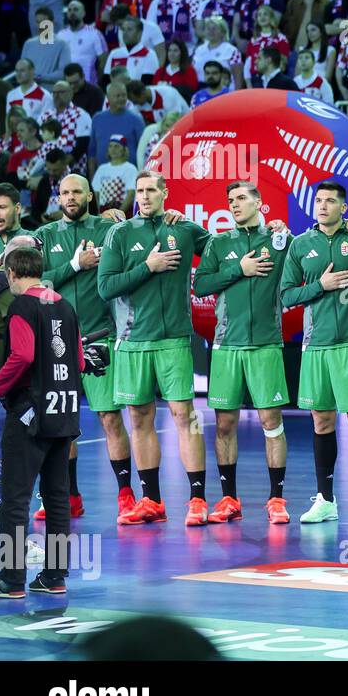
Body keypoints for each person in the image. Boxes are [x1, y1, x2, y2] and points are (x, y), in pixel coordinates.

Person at [97, 171, 212, 525]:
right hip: (132, 342)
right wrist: (148, 267)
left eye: (152, 190)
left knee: (185, 416)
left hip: (174, 340)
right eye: (141, 191)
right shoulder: (120, 233)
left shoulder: (184, 229)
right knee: (139, 419)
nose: (145, 196)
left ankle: (197, 500)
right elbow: (106, 287)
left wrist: (274, 233)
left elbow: (225, 249)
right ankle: (152, 501)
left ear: (165, 193)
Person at [280, 182, 348, 524]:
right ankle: (326, 499)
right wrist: (319, 287)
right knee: (321, 420)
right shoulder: (301, 245)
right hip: (314, 346)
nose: (323, 205)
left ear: (344, 208)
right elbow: (285, 296)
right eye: (319, 200)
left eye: (330, 201)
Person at [34, 174, 133, 521]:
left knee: (109, 417)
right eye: (64, 192)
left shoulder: (109, 230)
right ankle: (69, 497)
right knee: (62, 425)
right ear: (57, 198)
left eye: (77, 191)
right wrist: (77, 264)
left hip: (99, 338)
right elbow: (37, 284)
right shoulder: (44, 237)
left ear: (90, 195)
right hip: (56, 345)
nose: (71, 197)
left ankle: (126, 495)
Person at [192, 182, 292, 525]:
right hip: (226, 345)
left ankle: (276, 499)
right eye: (230, 200)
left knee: (271, 421)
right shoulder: (219, 243)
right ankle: (229, 499)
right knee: (224, 424)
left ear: (259, 203)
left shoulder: (280, 240)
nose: (234, 204)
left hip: (266, 344)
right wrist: (240, 270)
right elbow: (201, 285)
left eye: (241, 199)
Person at [0, 245, 87, 599]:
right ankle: (54, 576)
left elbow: (23, 354)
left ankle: (12, 579)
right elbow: (78, 360)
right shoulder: (64, 304)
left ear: (11, 274)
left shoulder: (21, 305)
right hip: (64, 413)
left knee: (15, 498)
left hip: (30, 415)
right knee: (57, 497)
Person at [87, 84, 144, 178]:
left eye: (124, 95)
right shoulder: (97, 118)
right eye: (117, 96)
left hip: (128, 176)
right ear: (108, 98)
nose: (121, 98)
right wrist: (92, 176)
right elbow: (92, 151)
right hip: (103, 176)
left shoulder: (136, 119)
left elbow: (143, 150)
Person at [56, 1, 108, 87]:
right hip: (66, 85)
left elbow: (103, 59)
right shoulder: (60, 35)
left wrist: (99, 81)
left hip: (89, 84)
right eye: (69, 10)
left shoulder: (94, 34)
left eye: (75, 10)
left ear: (83, 13)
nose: (72, 13)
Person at [104, 18, 160, 84]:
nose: (125, 33)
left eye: (129, 29)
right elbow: (106, 81)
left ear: (140, 33)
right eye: (123, 29)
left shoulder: (149, 54)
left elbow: (148, 83)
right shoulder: (114, 54)